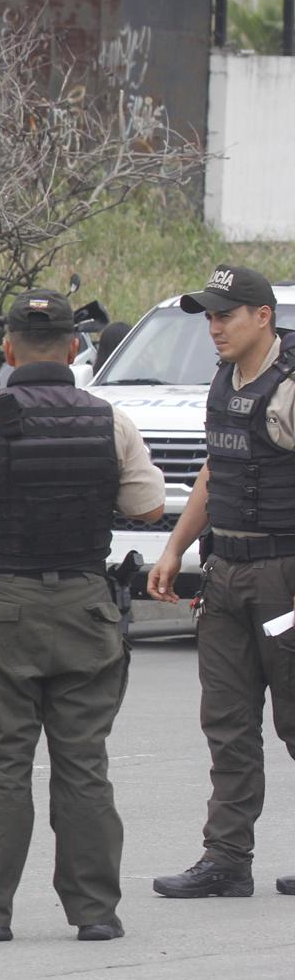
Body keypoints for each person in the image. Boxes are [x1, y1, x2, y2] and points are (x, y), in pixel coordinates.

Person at [0, 290, 164, 944]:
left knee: (2, 761)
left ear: (6, 348)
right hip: (87, 604)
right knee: (83, 762)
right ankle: (95, 910)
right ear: (74, 348)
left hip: (6, 606)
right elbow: (147, 505)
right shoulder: (108, 419)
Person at [149, 264, 295, 900]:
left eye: (225, 315)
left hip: (285, 577)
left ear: (262, 316)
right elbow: (217, 468)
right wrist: (175, 546)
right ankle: (226, 860)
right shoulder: (222, 380)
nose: (214, 328)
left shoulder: (289, 387)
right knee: (228, 725)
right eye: (209, 316)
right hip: (225, 574)